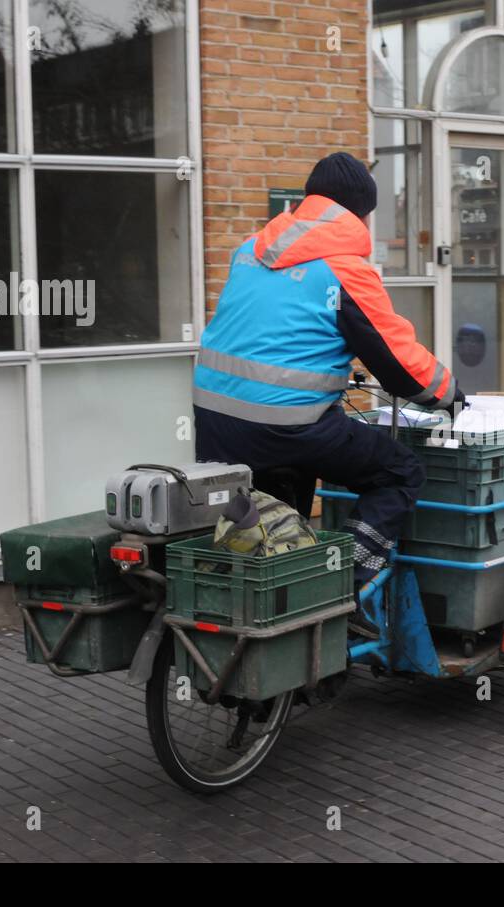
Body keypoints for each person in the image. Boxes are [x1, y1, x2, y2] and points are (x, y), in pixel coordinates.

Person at [193, 152, 463, 596]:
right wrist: (449, 393)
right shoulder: (345, 269)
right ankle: (340, 582)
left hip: (214, 422)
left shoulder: (248, 251)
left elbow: (270, 332)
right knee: (400, 473)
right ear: (360, 213)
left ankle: (283, 595)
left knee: (276, 512)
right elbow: (399, 366)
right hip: (286, 427)